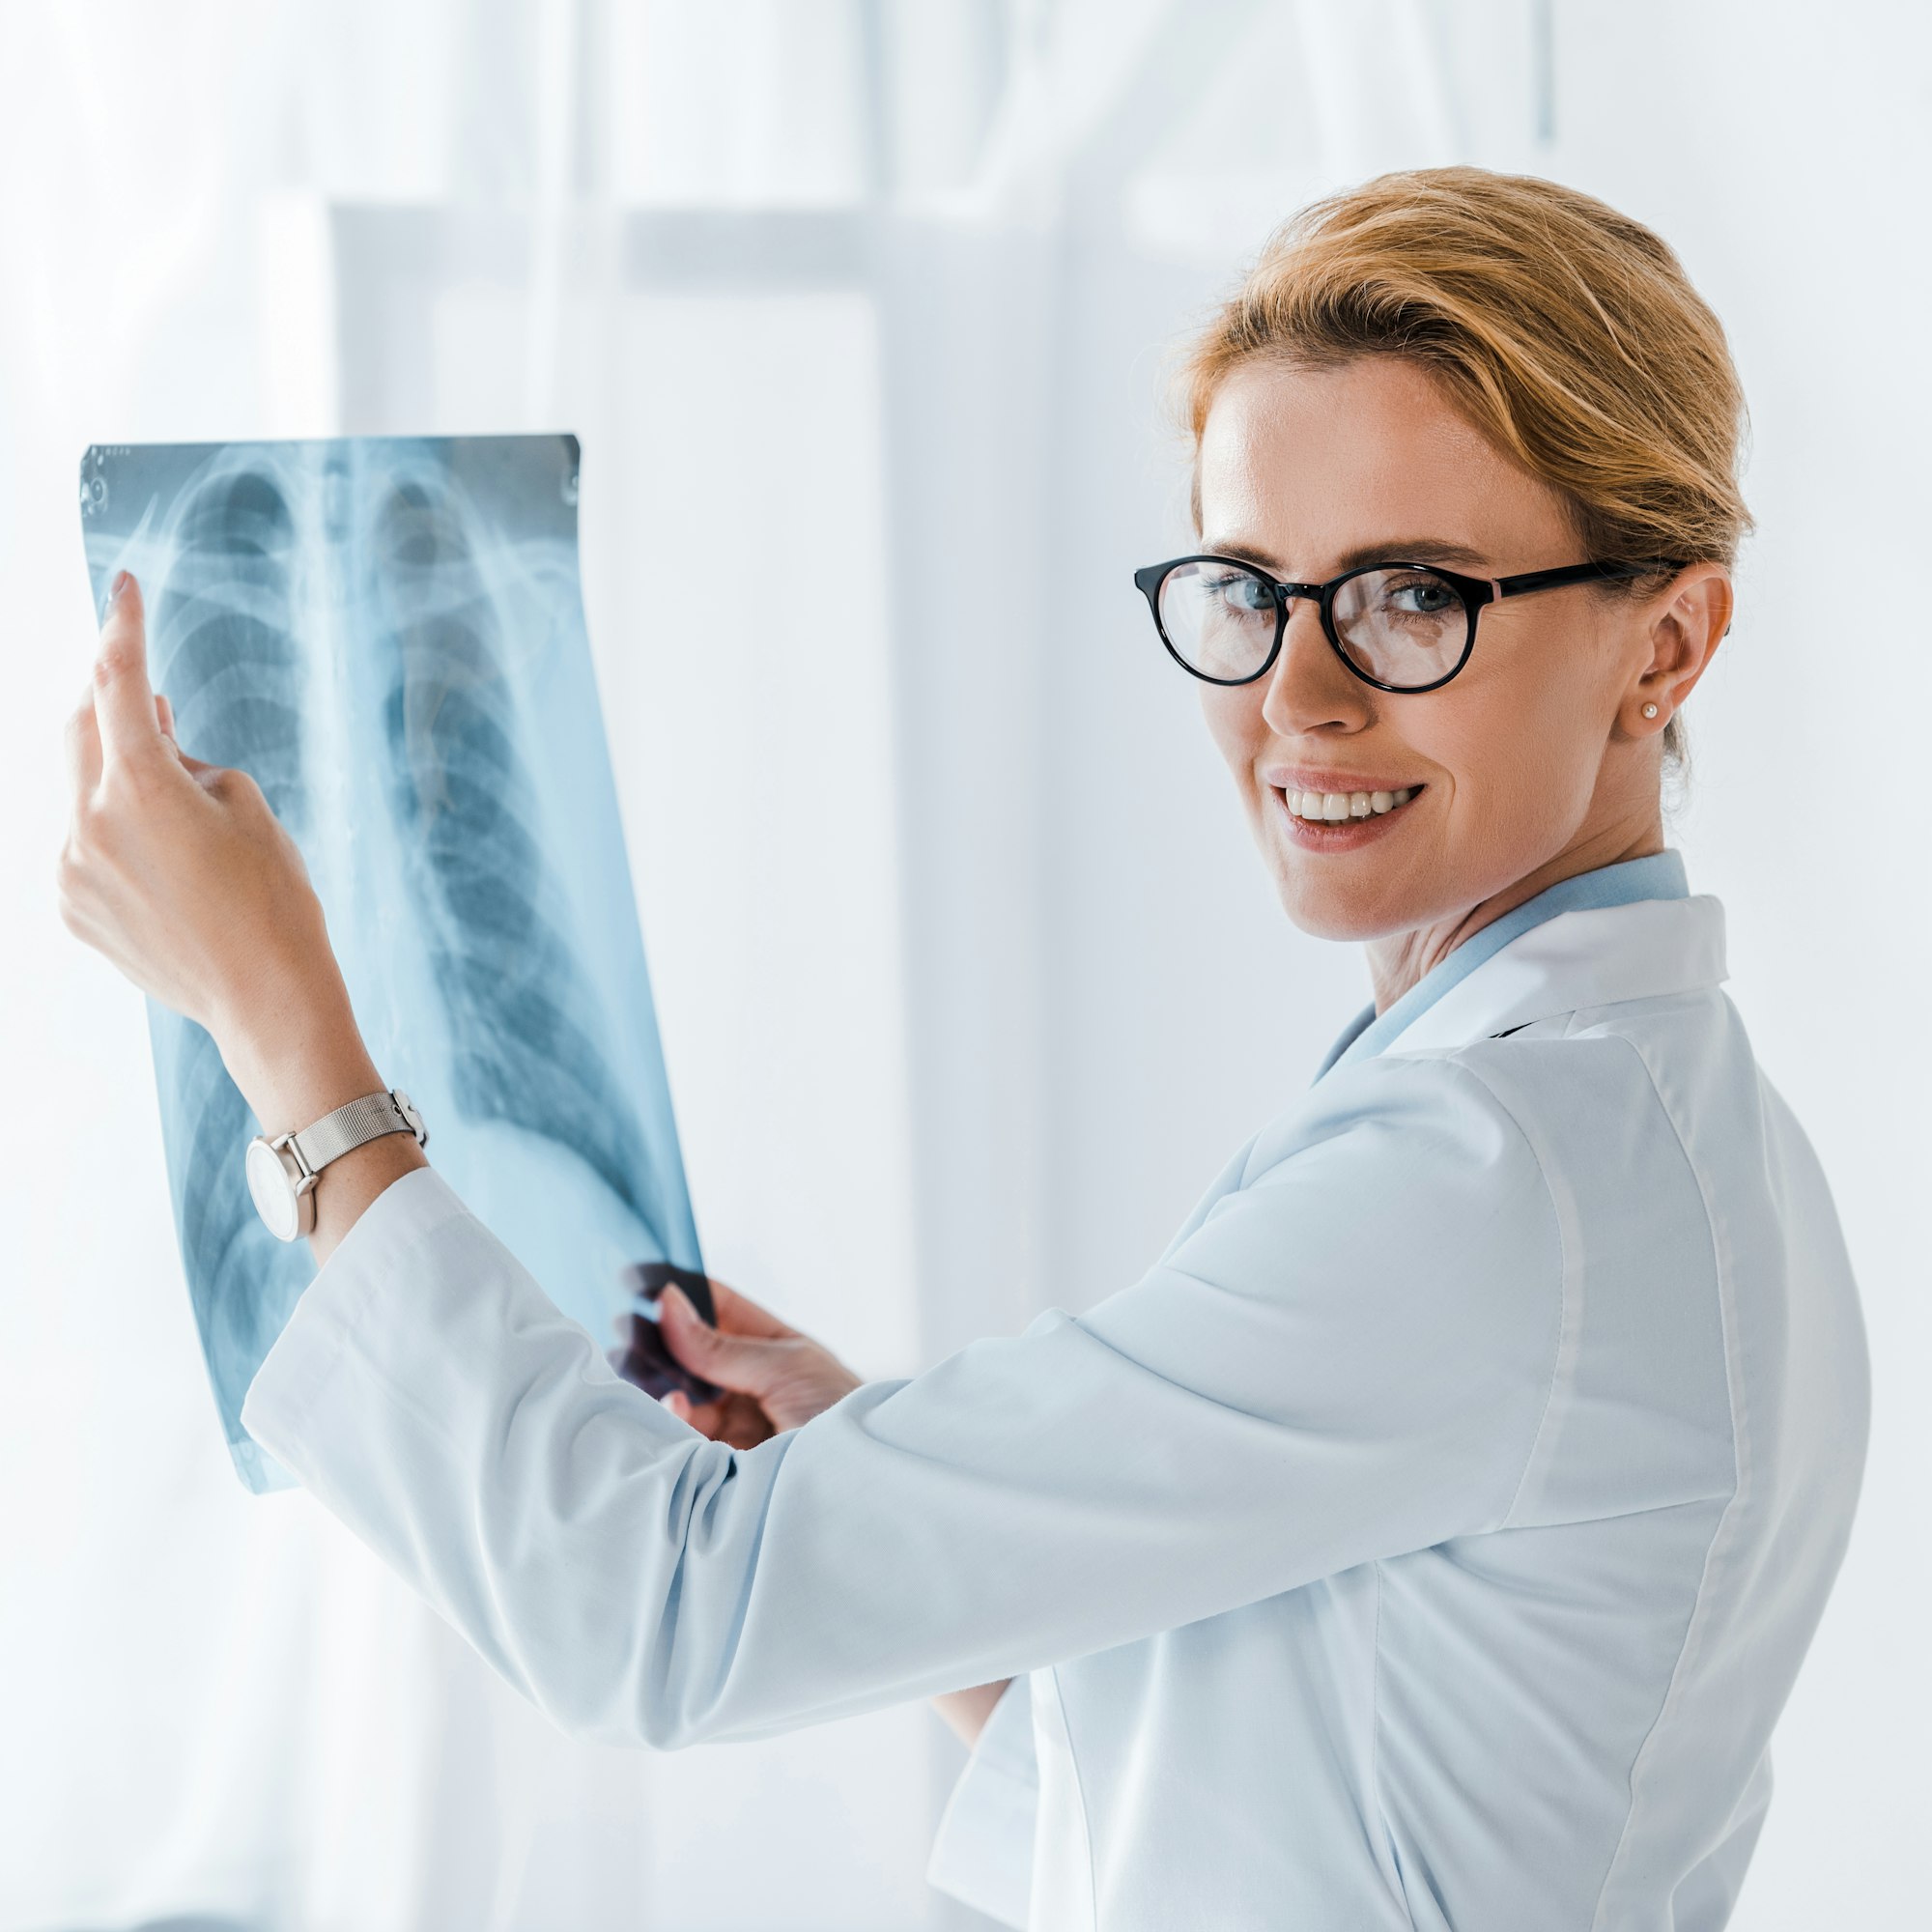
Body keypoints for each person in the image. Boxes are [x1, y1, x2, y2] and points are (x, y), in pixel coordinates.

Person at [57, 167, 1868, 1930]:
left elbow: (659, 1617)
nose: (1298, 697)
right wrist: (898, 1507)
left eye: (1413, 596)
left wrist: (283, 1038)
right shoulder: (1670, 1132)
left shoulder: (1497, 1182)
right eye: (1249, 588)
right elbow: (1324, 1804)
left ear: (1668, 643)